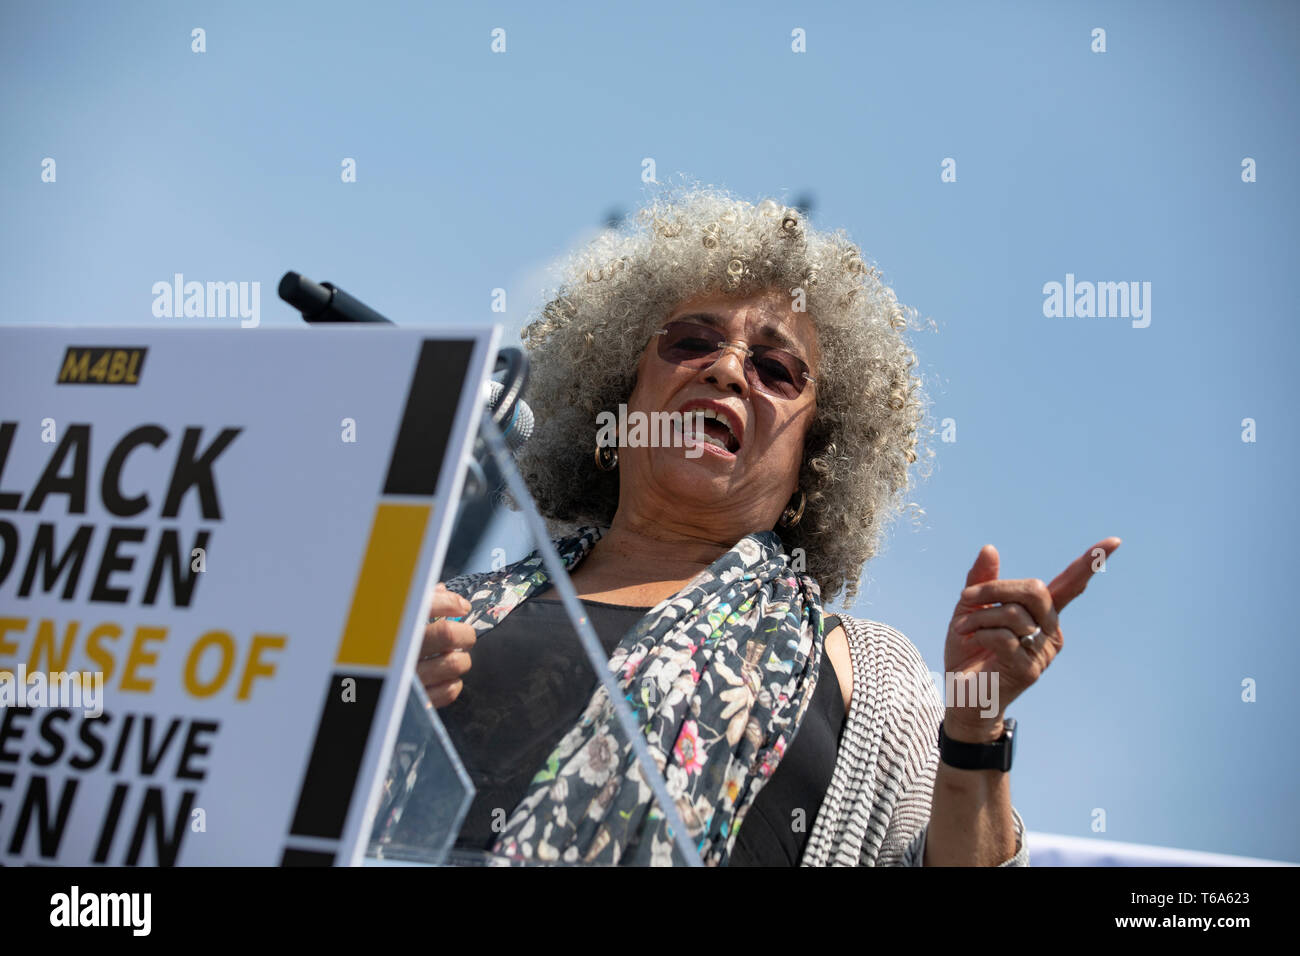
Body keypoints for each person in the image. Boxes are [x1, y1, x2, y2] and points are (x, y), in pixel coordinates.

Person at [416, 187, 1120, 866]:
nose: (725, 369)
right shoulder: (442, 611)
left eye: (777, 370)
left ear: (811, 465)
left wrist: (975, 728)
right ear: (615, 402)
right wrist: (367, 698)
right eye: (691, 342)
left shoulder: (867, 677)